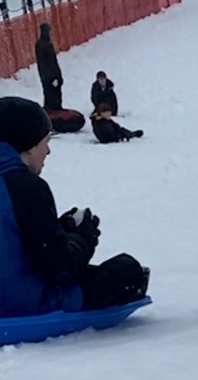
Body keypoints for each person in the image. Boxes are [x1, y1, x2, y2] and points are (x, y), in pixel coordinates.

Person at [0, 97, 149, 318]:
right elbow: (60, 268)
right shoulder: (24, 186)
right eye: (45, 142)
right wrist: (84, 237)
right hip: (20, 304)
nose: (48, 152)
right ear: (28, 146)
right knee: (128, 271)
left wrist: (62, 228)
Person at [35, 22, 63, 111]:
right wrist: (57, 76)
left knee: (48, 94)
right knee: (54, 94)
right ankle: (55, 113)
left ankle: (50, 111)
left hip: (45, 76)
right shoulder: (46, 45)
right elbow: (51, 62)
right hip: (50, 76)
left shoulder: (39, 44)